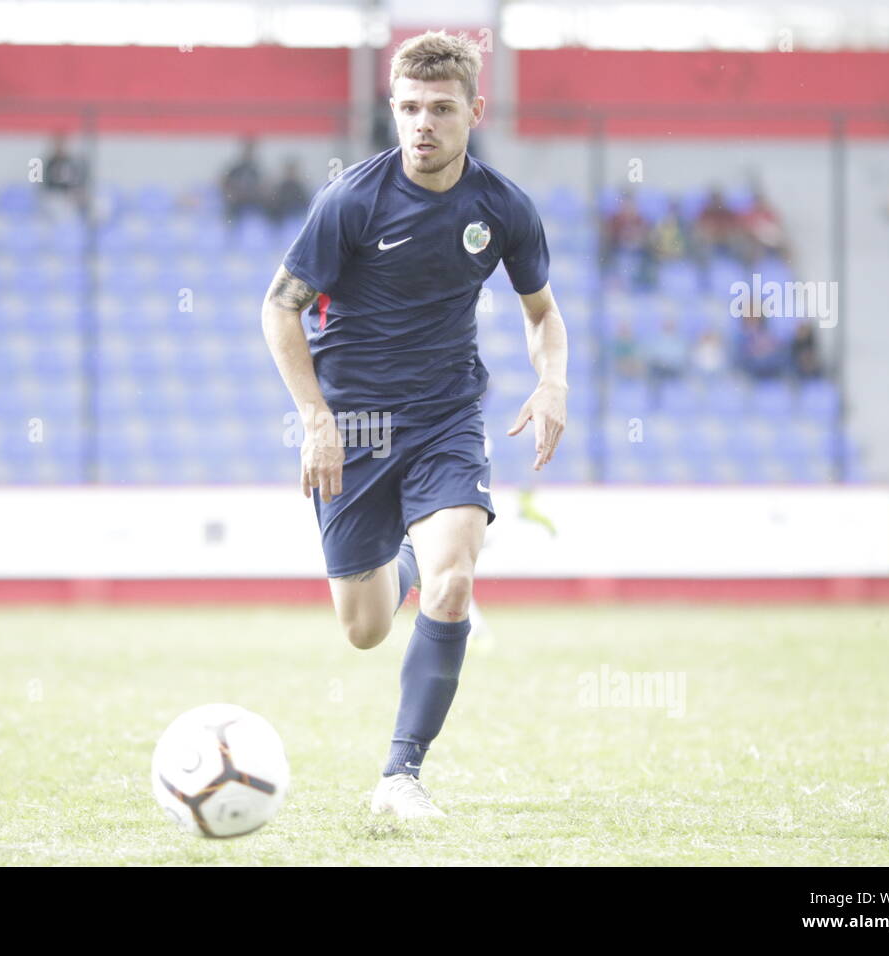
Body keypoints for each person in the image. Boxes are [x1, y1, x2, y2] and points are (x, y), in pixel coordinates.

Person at [261, 30, 567, 820]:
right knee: (364, 629)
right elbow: (278, 308)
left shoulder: (502, 209)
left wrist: (553, 378)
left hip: (444, 418)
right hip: (354, 429)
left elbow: (543, 313)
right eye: (407, 108)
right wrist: (316, 419)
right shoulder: (352, 201)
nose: (422, 124)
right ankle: (407, 549)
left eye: (439, 108)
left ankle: (401, 775)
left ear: (474, 110)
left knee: (455, 580)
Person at [221, 137, 267, 227]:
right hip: (238, 199)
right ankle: (231, 229)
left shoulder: (255, 169)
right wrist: (231, 194)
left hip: (253, 198)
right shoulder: (236, 168)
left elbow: (263, 184)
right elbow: (225, 182)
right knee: (231, 209)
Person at [41, 133, 89, 218]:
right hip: (55, 196)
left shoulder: (70, 162)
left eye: (62, 145)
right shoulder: (50, 163)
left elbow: (76, 181)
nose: (60, 148)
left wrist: (76, 192)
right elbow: (46, 184)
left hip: (70, 196)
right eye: (57, 145)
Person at [268, 157, 309, 224]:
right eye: (289, 170)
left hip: (296, 220)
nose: (290, 173)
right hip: (282, 222)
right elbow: (274, 207)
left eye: (292, 170)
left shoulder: (299, 188)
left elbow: (305, 205)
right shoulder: (281, 188)